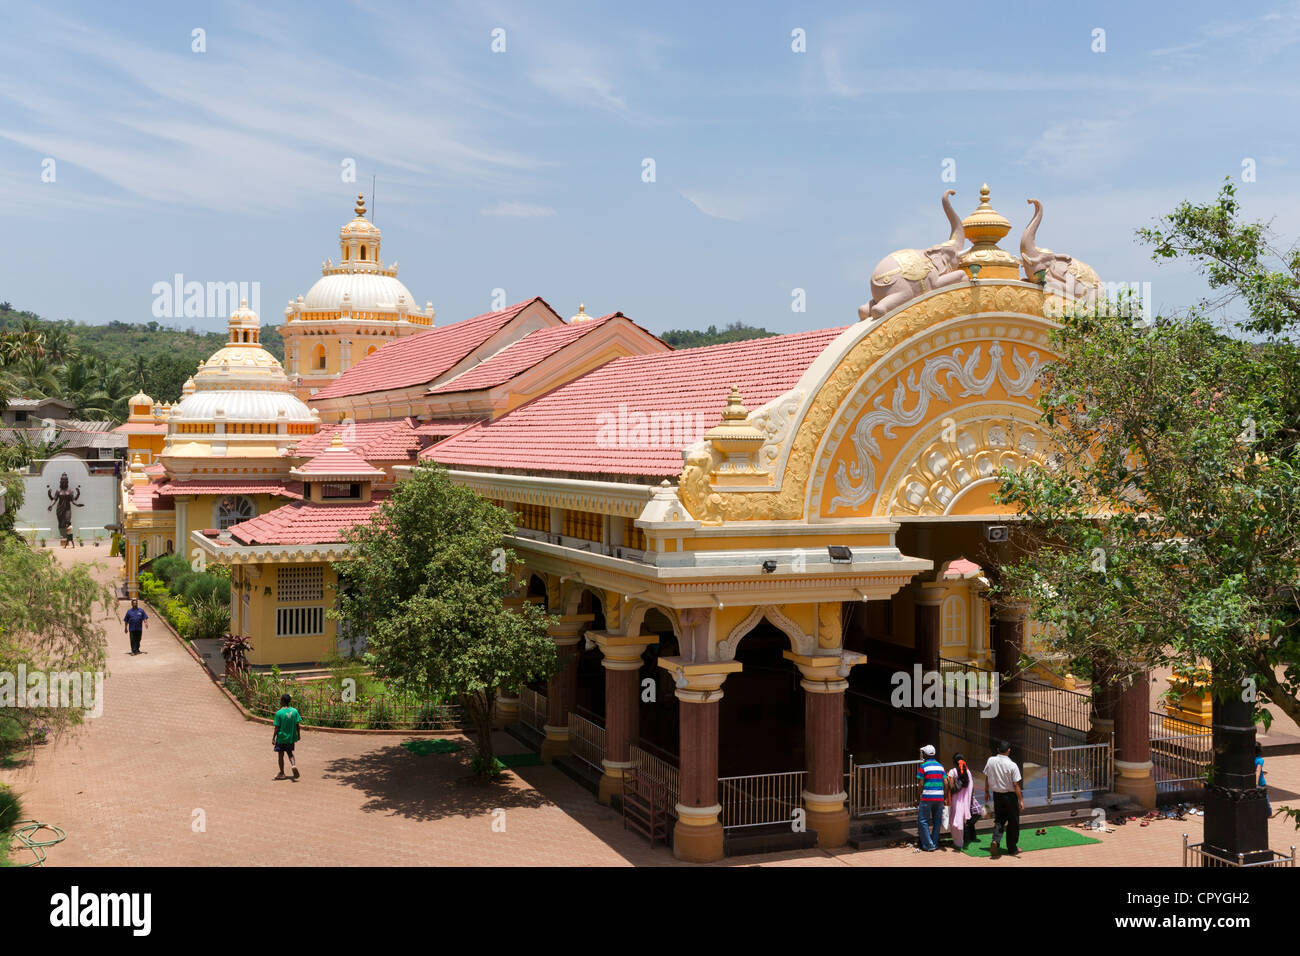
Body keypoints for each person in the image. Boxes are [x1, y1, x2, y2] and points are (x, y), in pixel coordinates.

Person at [983, 740, 1023, 857]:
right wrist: (1020, 800)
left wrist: (986, 791)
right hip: (1010, 797)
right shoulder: (1012, 765)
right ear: (1009, 751)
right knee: (1013, 822)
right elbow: (1016, 785)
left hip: (997, 795)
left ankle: (996, 840)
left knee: (999, 819)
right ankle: (1012, 848)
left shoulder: (990, 761)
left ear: (998, 750)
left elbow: (986, 777)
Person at [916, 744, 946, 851]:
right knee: (937, 820)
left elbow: (920, 784)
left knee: (923, 820)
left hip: (927, 797)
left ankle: (928, 845)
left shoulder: (923, 766)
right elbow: (945, 782)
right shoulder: (940, 766)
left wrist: (917, 797)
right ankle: (934, 842)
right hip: (939, 797)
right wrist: (945, 796)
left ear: (925, 754)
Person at [946, 752, 977, 849]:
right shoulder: (968, 772)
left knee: (953, 820)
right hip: (965, 801)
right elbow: (972, 787)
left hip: (955, 800)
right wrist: (971, 799)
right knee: (961, 820)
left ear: (954, 762)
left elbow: (950, 786)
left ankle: (958, 842)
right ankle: (960, 842)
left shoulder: (952, 771)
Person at [273, 694, 302, 780]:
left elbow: (277, 727)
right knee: (290, 753)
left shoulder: (279, 713)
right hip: (290, 738)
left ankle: (282, 773)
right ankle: (293, 765)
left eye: (280, 700)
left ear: (282, 701)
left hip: (281, 738)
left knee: (280, 755)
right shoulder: (294, 711)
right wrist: (298, 735)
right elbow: (298, 725)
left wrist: (273, 738)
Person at [1256, 743, 1274, 818]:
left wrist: (1262, 772)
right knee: (1265, 798)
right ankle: (1269, 813)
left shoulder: (1249, 759)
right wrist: (1256, 783)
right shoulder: (1260, 760)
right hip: (1260, 783)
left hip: (1250, 781)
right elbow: (1257, 771)